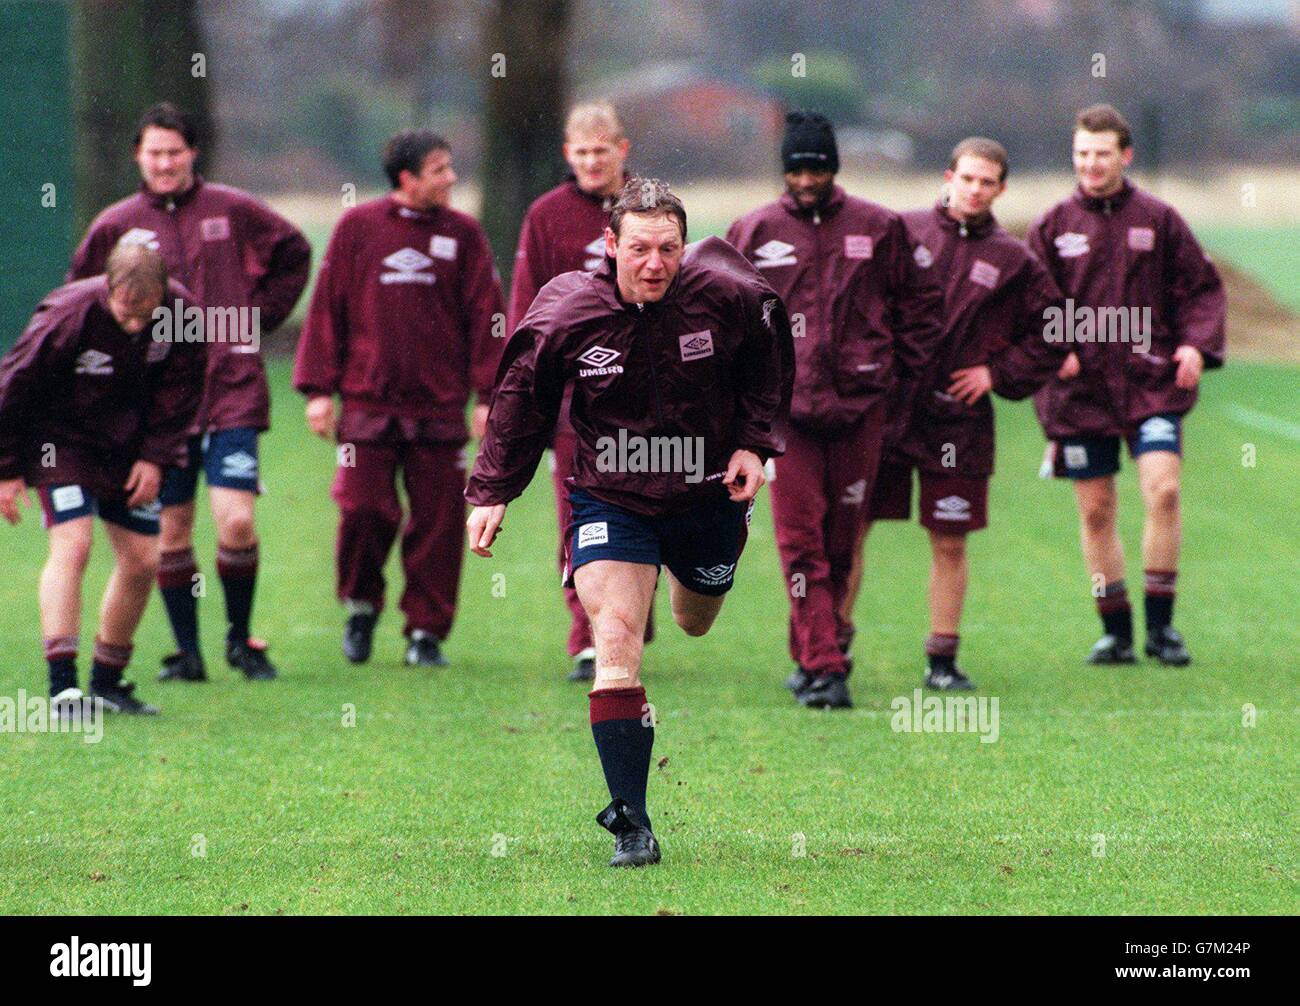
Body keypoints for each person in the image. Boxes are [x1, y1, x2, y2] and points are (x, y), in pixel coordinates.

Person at [465, 178, 793, 867]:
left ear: (684, 246)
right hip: (611, 496)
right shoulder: (568, 312)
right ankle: (632, 824)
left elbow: (770, 358)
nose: (654, 263)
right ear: (610, 245)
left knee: (696, 620)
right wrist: (493, 490)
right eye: (639, 248)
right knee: (615, 638)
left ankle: (681, 582)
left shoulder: (729, 296)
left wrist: (755, 443)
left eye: (668, 248)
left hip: (707, 495)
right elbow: (521, 398)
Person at [68, 102, 310, 683]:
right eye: (154, 152)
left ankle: (239, 641)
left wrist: (257, 319)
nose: (164, 163)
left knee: (236, 523)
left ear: (192, 153)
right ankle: (188, 652)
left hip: (232, 390)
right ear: (138, 156)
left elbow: (294, 252)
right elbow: (82, 298)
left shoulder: (232, 208)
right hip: (156, 409)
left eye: (174, 152)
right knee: (172, 531)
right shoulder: (115, 223)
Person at [726, 111, 944, 710]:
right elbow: (727, 319)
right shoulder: (753, 231)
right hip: (786, 418)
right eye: (797, 167)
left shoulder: (879, 228)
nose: (806, 178)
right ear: (784, 171)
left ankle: (814, 649)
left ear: (833, 168)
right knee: (800, 543)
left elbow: (922, 307)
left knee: (843, 544)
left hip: (860, 410)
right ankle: (826, 666)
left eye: (817, 166)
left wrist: (894, 374)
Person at [853, 138, 1067, 690]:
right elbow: (854, 304)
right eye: (966, 179)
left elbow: (1054, 329)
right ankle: (830, 653)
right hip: (889, 412)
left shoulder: (1013, 259)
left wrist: (997, 374)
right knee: (851, 530)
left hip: (958, 422)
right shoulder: (901, 231)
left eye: (986, 182)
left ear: (1000, 189)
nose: (974, 190)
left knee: (949, 540)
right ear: (949, 177)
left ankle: (942, 661)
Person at [294, 130, 505, 667]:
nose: (452, 178)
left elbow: (487, 318)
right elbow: (326, 311)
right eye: (440, 169)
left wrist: (488, 395)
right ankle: (362, 605)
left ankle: (425, 634)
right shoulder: (357, 229)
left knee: (438, 522)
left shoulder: (464, 235)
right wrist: (319, 390)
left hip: (439, 410)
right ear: (408, 179)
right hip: (367, 407)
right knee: (363, 509)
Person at [1028, 104, 1225, 667]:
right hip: (1080, 393)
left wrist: (1194, 344)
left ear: (1125, 155)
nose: (1091, 164)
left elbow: (1201, 290)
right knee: (1096, 511)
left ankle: (1162, 629)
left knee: (1163, 490)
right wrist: (1056, 345)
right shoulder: (1052, 226)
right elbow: (1031, 304)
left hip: (1150, 383)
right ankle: (1115, 631)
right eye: (1082, 154)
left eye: (1102, 154)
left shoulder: (1159, 219)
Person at [0, 242, 205, 714]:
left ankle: (108, 683)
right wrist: (7, 468)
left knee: (142, 560)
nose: (135, 325)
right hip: (60, 443)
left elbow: (183, 392)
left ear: (164, 296)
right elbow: (14, 384)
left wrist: (155, 457)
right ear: (109, 289)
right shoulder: (67, 314)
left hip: (129, 449)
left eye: (146, 316)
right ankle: (64, 687)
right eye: (126, 313)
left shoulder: (185, 316)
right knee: (73, 545)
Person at [509, 101, 648, 682]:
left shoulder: (650, 207)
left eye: (602, 150)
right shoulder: (546, 215)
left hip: (647, 396)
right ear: (569, 154)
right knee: (578, 513)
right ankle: (588, 636)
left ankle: (629, 611)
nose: (592, 162)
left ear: (622, 148)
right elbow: (527, 305)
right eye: (581, 152)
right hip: (574, 398)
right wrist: (521, 391)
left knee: (647, 508)